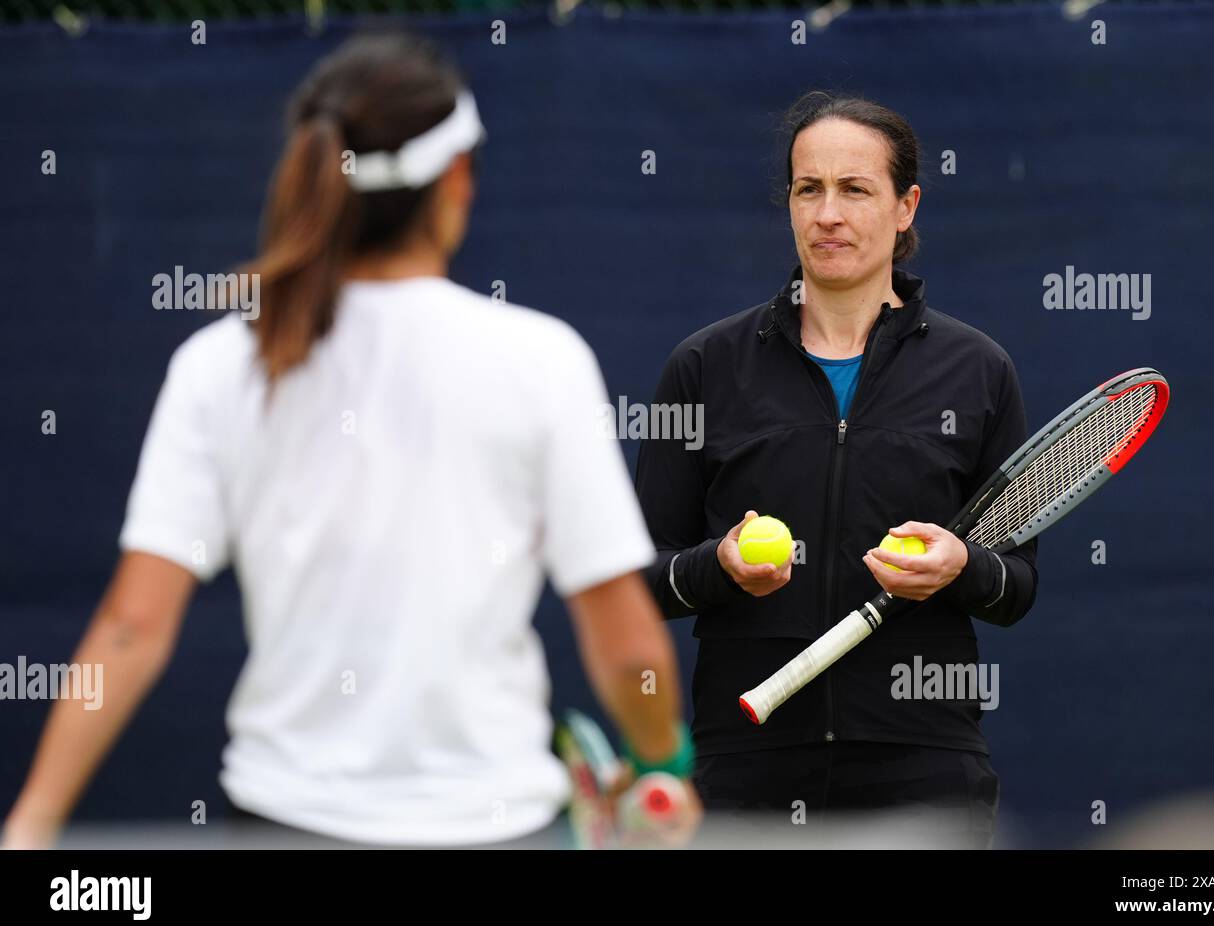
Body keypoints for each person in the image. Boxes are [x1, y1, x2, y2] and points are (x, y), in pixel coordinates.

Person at [3, 32, 697, 850]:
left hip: (283, 824)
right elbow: (621, 641)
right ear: (456, 180)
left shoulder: (220, 364)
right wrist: (664, 763)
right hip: (498, 825)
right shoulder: (540, 360)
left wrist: (33, 822)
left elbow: (130, 627)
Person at [634, 92, 1037, 849]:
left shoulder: (978, 371)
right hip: (748, 764)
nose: (828, 213)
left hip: (923, 771)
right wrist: (718, 567)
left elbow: (1017, 587)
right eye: (808, 189)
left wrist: (960, 567)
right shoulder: (703, 367)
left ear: (905, 206)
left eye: (855, 189)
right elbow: (641, 578)